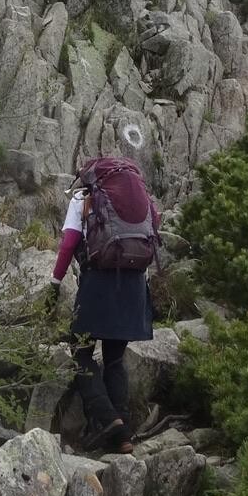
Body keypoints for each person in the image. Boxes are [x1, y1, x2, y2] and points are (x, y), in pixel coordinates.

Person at [47, 155, 161, 454]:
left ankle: (109, 421)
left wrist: (55, 283)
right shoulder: (141, 200)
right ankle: (123, 432)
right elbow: (154, 233)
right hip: (133, 285)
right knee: (114, 358)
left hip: (98, 283)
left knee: (80, 353)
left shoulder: (84, 198)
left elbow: (69, 243)